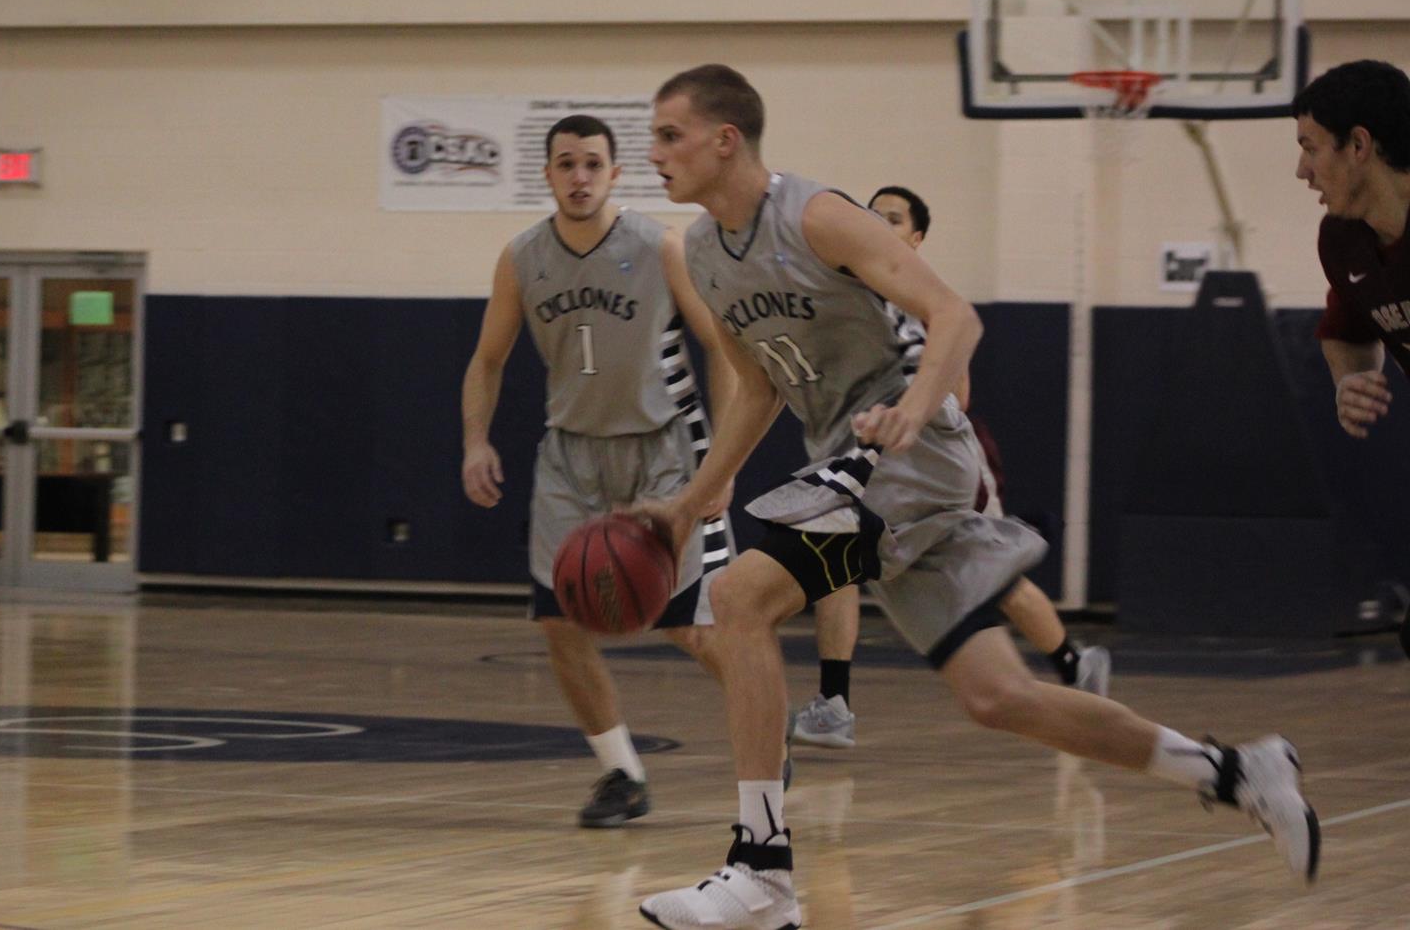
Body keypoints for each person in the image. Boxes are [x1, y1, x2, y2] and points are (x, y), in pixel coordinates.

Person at [635, 64, 1318, 930]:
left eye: (668, 134)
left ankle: (761, 868)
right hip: (857, 460)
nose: (655, 153)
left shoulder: (813, 214)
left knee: (737, 598)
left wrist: (915, 410)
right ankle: (1235, 772)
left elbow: (957, 315)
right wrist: (692, 499)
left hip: (913, 452)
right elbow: (757, 388)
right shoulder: (702, 252)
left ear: (723, 138)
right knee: (998, 696)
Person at [461, 113, 746, 828]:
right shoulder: (521, 257)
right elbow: (487, 359)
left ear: (615, 173)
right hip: (570, 455)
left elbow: (726, 350)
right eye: (566, 164)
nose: (580, 176)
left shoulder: (661, 245)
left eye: (592, 163)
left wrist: (721, 463)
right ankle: (621, 773)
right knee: (558, 619)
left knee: (693, 626)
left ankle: (767, 732)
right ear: (549, 174)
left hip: (661, 451)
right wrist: (475, 440)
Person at [791, 185, 1109, 750]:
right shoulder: (855, 290)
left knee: (990, 579)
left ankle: (1072, 661)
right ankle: (834, 701)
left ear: (916, 239)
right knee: (830, 561)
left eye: (892, 219)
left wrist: (901, 419)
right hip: (866, 455)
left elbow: (955, 394)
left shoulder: (923, 295)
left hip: (937, 455)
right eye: (872, 217)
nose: (877, 226)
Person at [1293, 57, 1410, 659]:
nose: (1301, 170)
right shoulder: (1342, 238)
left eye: (1311, 148)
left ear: (1359, 144)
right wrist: (1352, 381)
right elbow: (1346, 325)